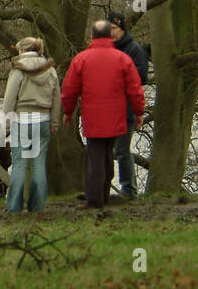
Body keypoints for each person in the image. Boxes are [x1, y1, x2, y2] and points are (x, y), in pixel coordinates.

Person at [61, 21, 144, 209]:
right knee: (107, 153)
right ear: (109, 36)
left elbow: (69, 89)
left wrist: (68, 111)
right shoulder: (123, 59)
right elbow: (135, 89)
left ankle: (95, 198)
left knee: (95, 155)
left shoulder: (81, 59)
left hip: (93, 116)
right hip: (116, 115)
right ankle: (104, 193)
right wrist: (138, 112)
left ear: (92, 36)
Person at [2, 37, 59, 213]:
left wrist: (7, 121)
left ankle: (14, 207)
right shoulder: (50, 70)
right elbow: (57, 97)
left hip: (22, 120)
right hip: (43, 120)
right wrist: (54, 121)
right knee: (39, 164)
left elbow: (9, 98)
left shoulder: (18, 69)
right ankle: (37, 206)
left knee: (19, 163)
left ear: (22, 51)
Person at [107, 12, 149, 200]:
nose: (112, 32)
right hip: (108, 107)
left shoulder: (135, 50)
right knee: (106, 150)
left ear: (122, 29)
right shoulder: (107, 50)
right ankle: (103, 186)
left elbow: (140, 78)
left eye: (115, 29)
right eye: (109, 29)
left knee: (122, 150)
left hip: (126, 108)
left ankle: (129, 189)